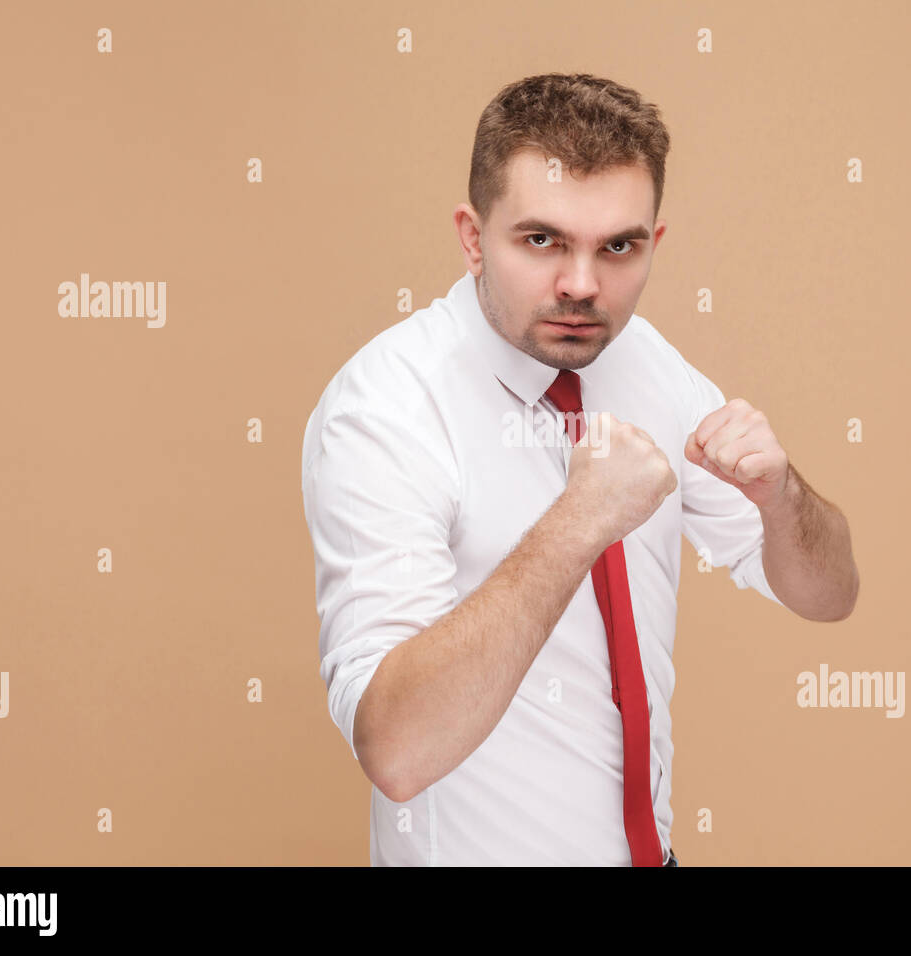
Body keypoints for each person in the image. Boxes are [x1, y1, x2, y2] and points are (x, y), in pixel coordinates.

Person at [300, 72, 859, 866]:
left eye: (617, 247)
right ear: (472, 237)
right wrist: (579, 520)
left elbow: (830, 596)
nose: (583, 286)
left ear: (654, 242)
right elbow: (396, 751)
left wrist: (782, 496)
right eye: (542, 241)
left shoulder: (645, 361)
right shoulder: (385, 409)